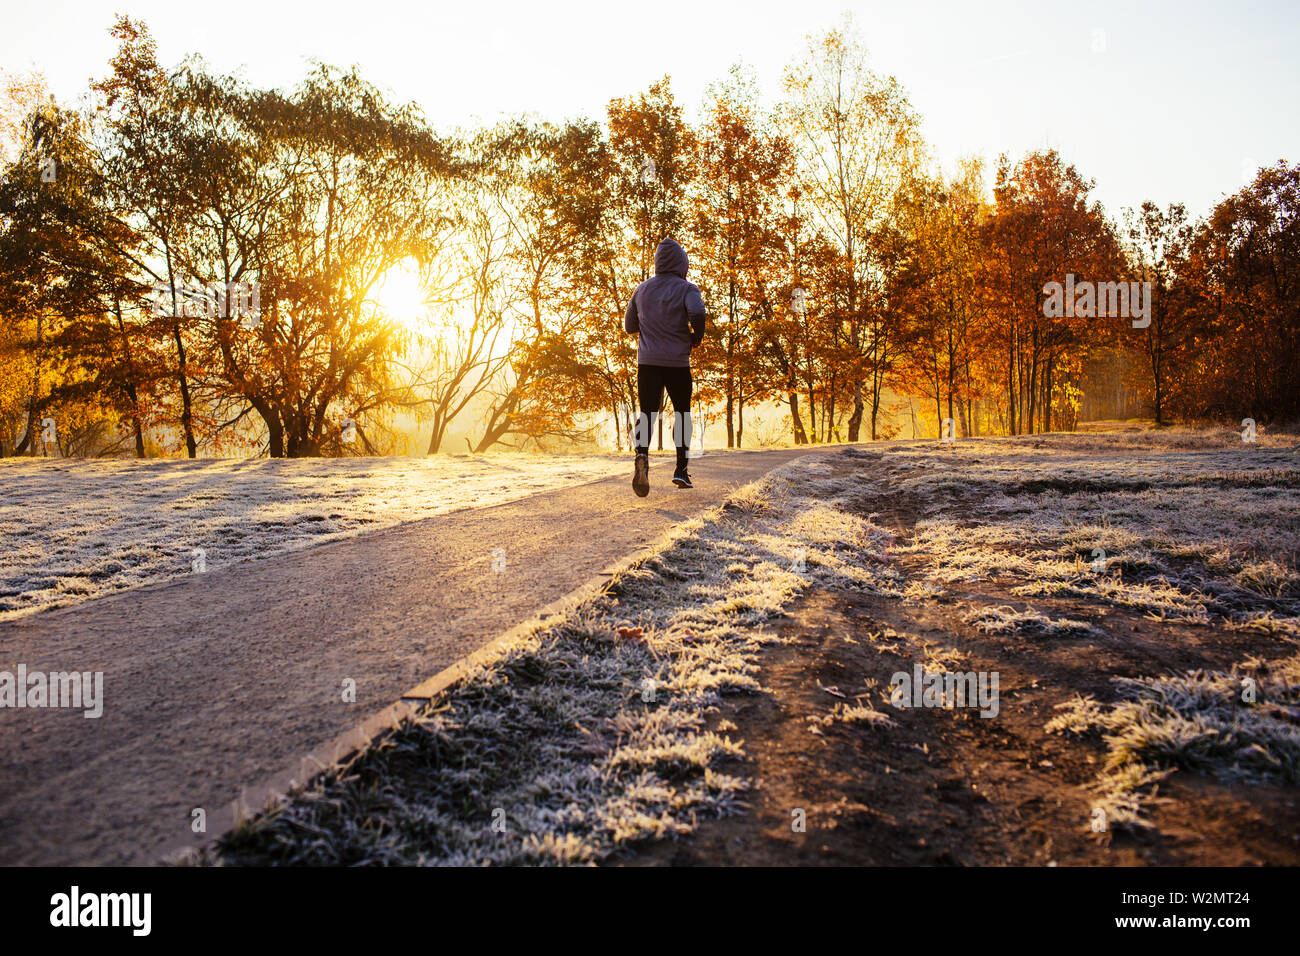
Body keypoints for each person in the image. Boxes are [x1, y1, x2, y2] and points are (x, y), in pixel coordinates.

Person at [624, 237, 705, 496]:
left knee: (647, 413)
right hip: (678, 364)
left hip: (647, 362)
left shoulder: (642, 289)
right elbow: (698, 313)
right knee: (682, 414)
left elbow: (629, 326)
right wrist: (697, 337)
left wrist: (650, 324)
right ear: (682, 262)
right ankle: (681, 469)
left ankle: (641, 454)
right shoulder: (687, 288)